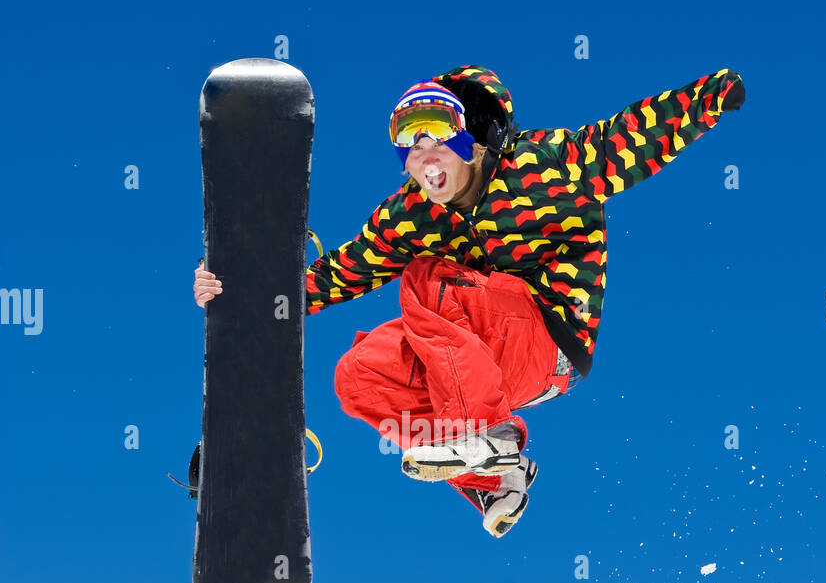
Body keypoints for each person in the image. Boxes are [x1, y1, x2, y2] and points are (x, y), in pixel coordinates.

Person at [195, 63, 745, 536]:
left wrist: (713, 94)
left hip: (547, 342)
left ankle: (481, 434)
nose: (423, 154)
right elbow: (346, 270)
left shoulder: (545, 167)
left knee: (426, 280)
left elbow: (629, 137)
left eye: (436, 134)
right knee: (359, 376)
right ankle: (492, 479)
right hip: (479, 359)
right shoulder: (412, 212)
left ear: (474, 138)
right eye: (408, 142)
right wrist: (241, 296)